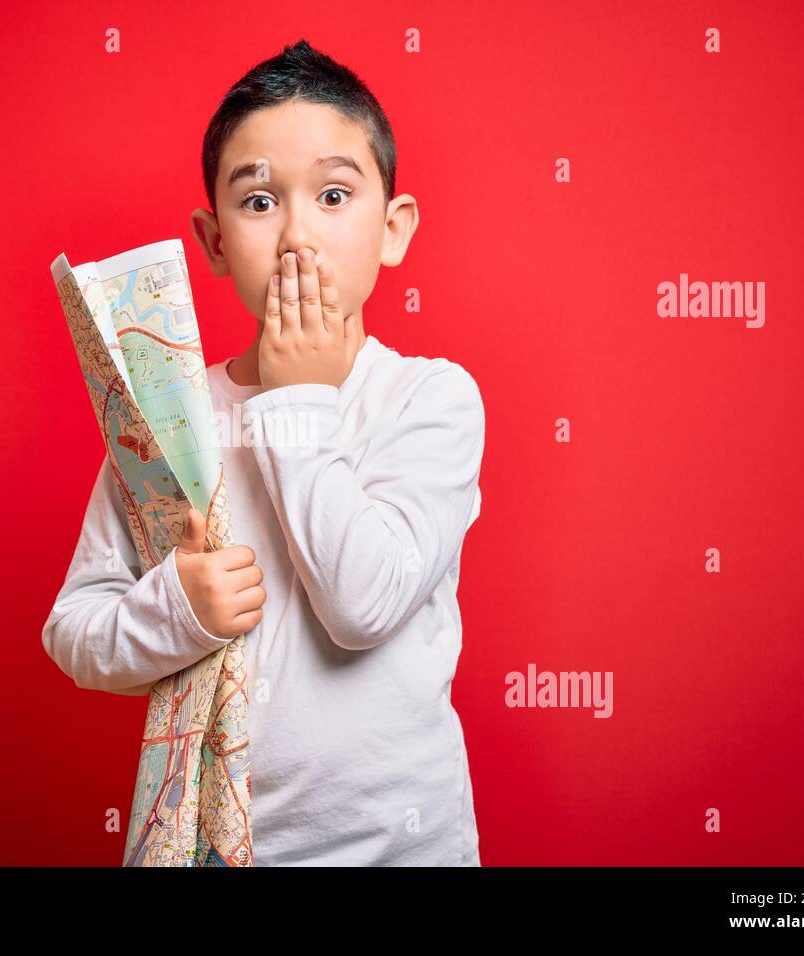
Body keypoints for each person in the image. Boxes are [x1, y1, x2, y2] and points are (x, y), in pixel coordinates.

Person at [43, 38, 486, 866]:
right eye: (257, 203)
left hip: (406, 850)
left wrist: (295, 400)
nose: (294, 236)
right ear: (212, 243)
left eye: (331, 195)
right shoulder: (171, 421)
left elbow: (362, 604)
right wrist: (177, 610)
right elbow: (74, 630)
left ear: (394, 230)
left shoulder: (431, 400)